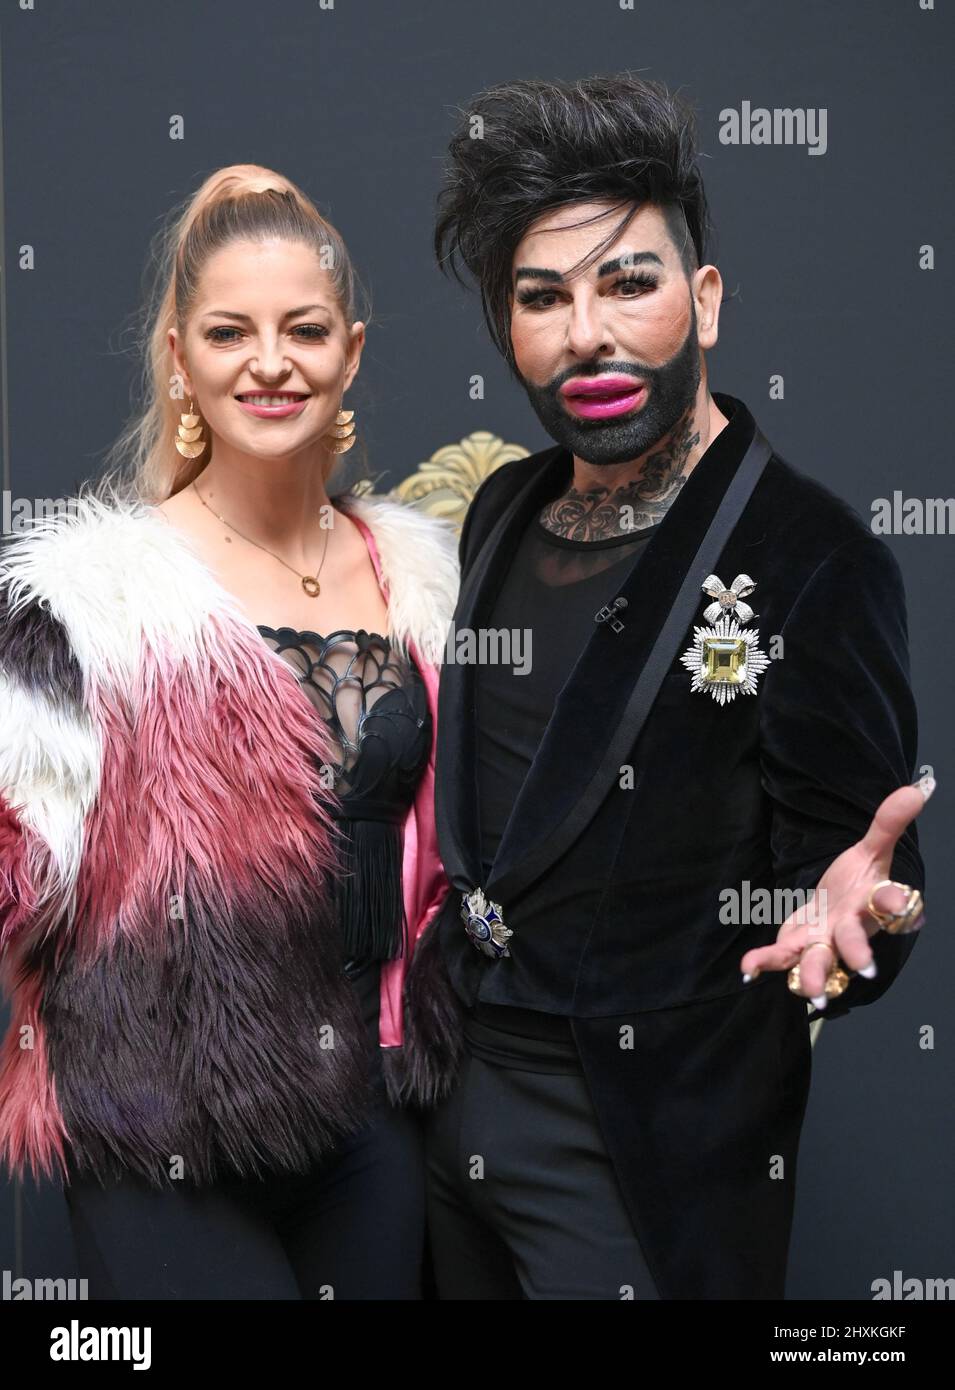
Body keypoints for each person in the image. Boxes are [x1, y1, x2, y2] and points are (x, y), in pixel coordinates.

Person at [404, 73, 932, 1300]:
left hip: (642, 1143)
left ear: (701, 302)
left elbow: (850, 870)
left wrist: (852, 917)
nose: (584, 332)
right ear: (507, 329)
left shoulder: (813, 556)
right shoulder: (502, 506)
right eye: (543, 298)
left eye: (626, 283)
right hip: (449, 1110)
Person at [0, 165, 458, 1299]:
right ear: (179, 357)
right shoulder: (90, 597)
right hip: (162, 1119)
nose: (269, 362)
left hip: (373, 1115)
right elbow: (18, 859)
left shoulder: (427, 581)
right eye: (229, 332)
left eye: (304, 329)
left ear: (350, 351)